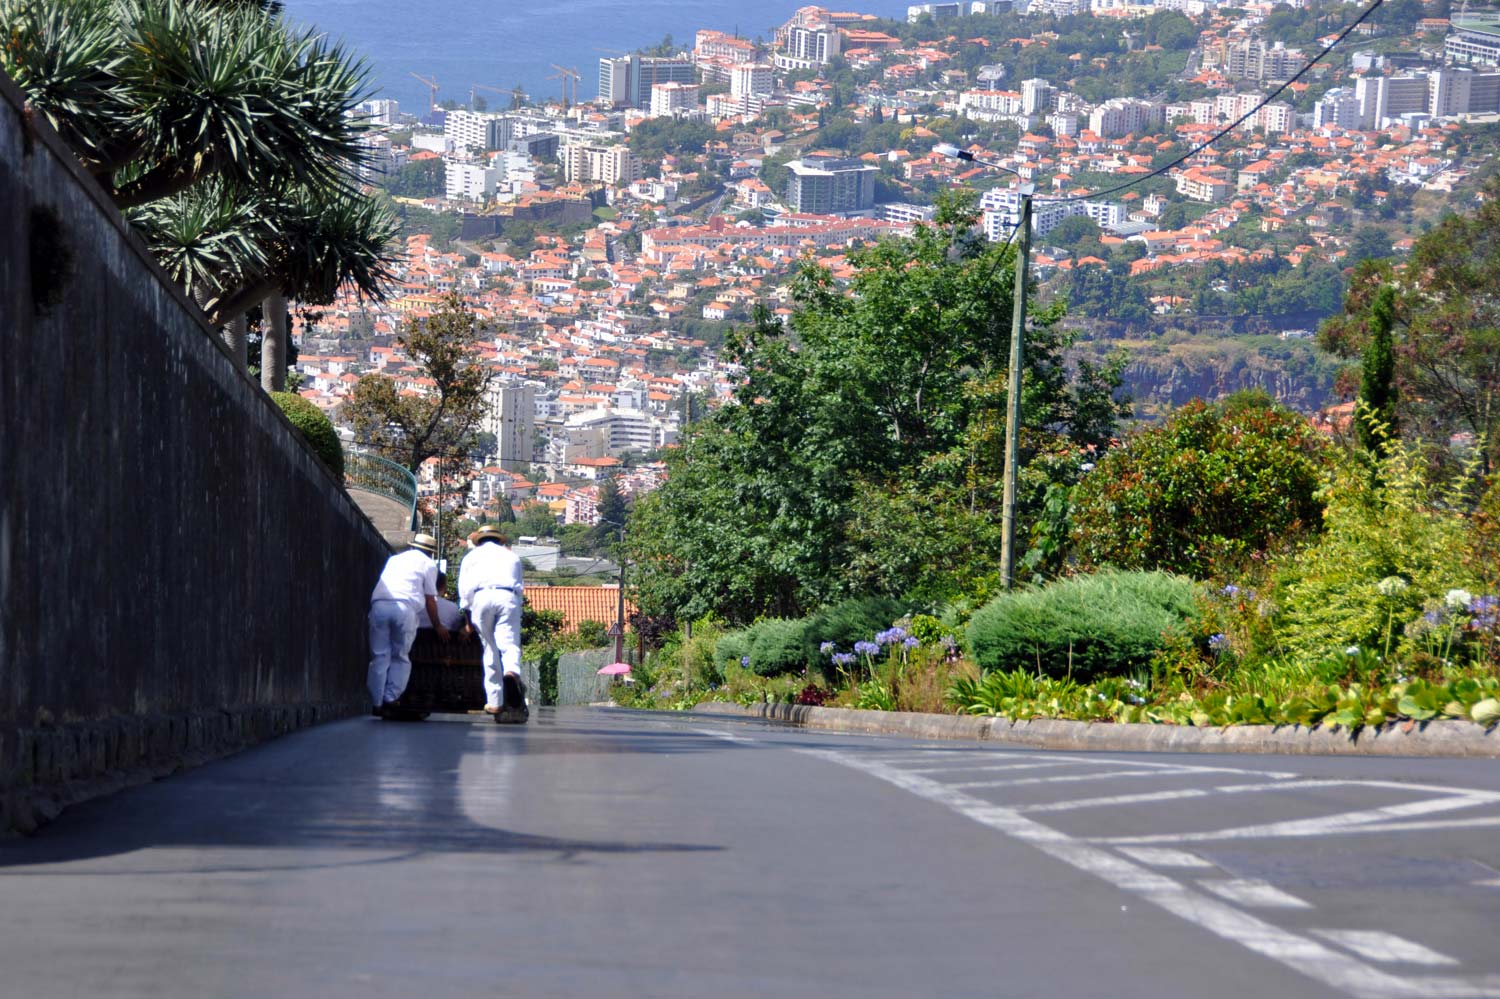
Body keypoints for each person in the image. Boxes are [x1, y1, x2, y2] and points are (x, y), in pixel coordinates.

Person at [368, 533, 449, 716]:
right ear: (431, 553)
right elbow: (430, 599)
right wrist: (437, 625)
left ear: (412, 546)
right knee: (400, 656)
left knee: (379, 656)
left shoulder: (394, 560)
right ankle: (390, 699)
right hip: (404, 608)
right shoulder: (428, 565)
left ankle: (376, 702)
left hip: (379, 605)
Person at [458, 524, 527, 722]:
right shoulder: (512, 556)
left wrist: (468, 621)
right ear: (499, 539)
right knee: (509, 643)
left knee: (489, 648)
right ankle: (512, 672)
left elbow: (464, 592)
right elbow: (519, 586)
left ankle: (495, 702)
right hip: (507, 596)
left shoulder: (471, 557)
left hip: (481, 597)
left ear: (480, 539)